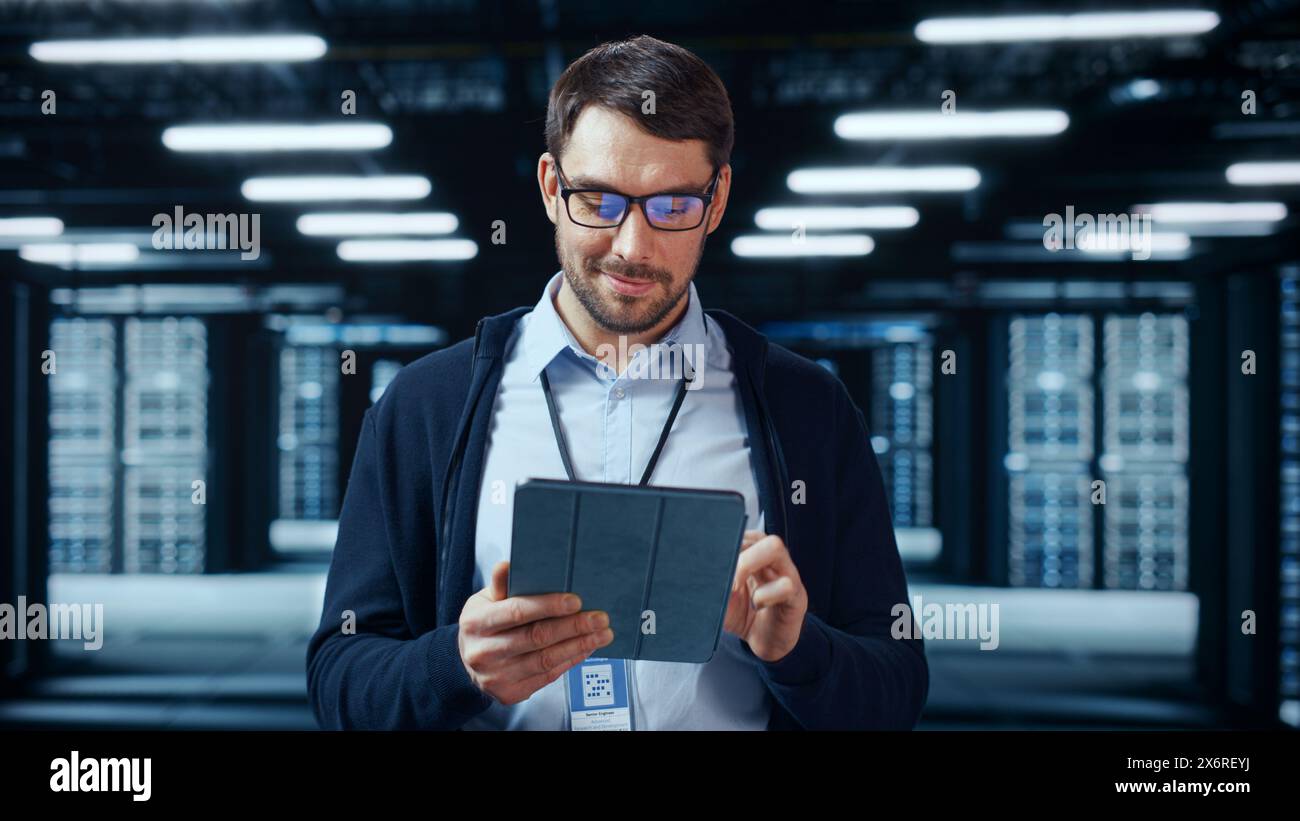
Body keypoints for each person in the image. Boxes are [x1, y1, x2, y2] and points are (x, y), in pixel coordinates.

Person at [306, 34, 927, 730]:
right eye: (599, 201)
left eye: (672, 206)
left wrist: (798, 650)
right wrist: (454, 664)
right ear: (551, 186)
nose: (632, 247)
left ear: (718, 197)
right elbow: (339, 678)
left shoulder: (807, 409)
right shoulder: (427, 407)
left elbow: (896, 688)